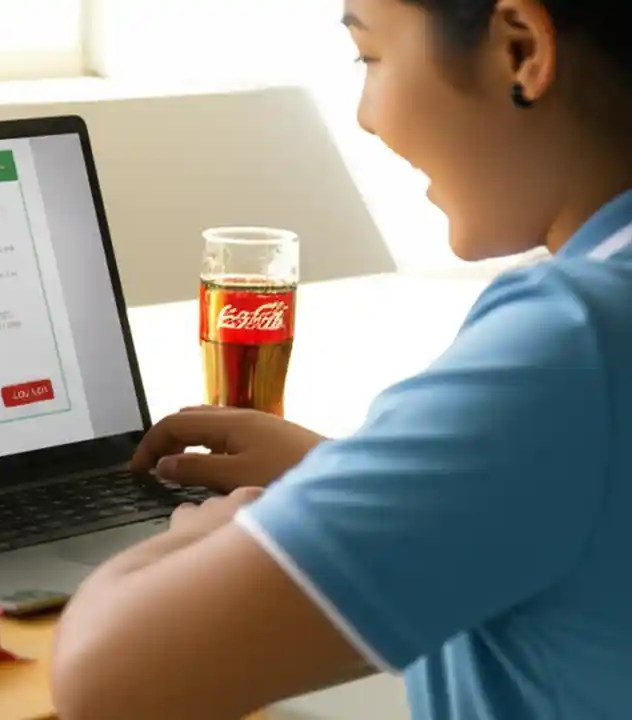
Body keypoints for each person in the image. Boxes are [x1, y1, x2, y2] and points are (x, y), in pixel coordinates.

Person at [50, 0, 632, 718]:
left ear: (520, 51)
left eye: (371, 57)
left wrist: (220, 536)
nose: (365, 116)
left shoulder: (572, 340)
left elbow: (105, 680)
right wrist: (343, 479)